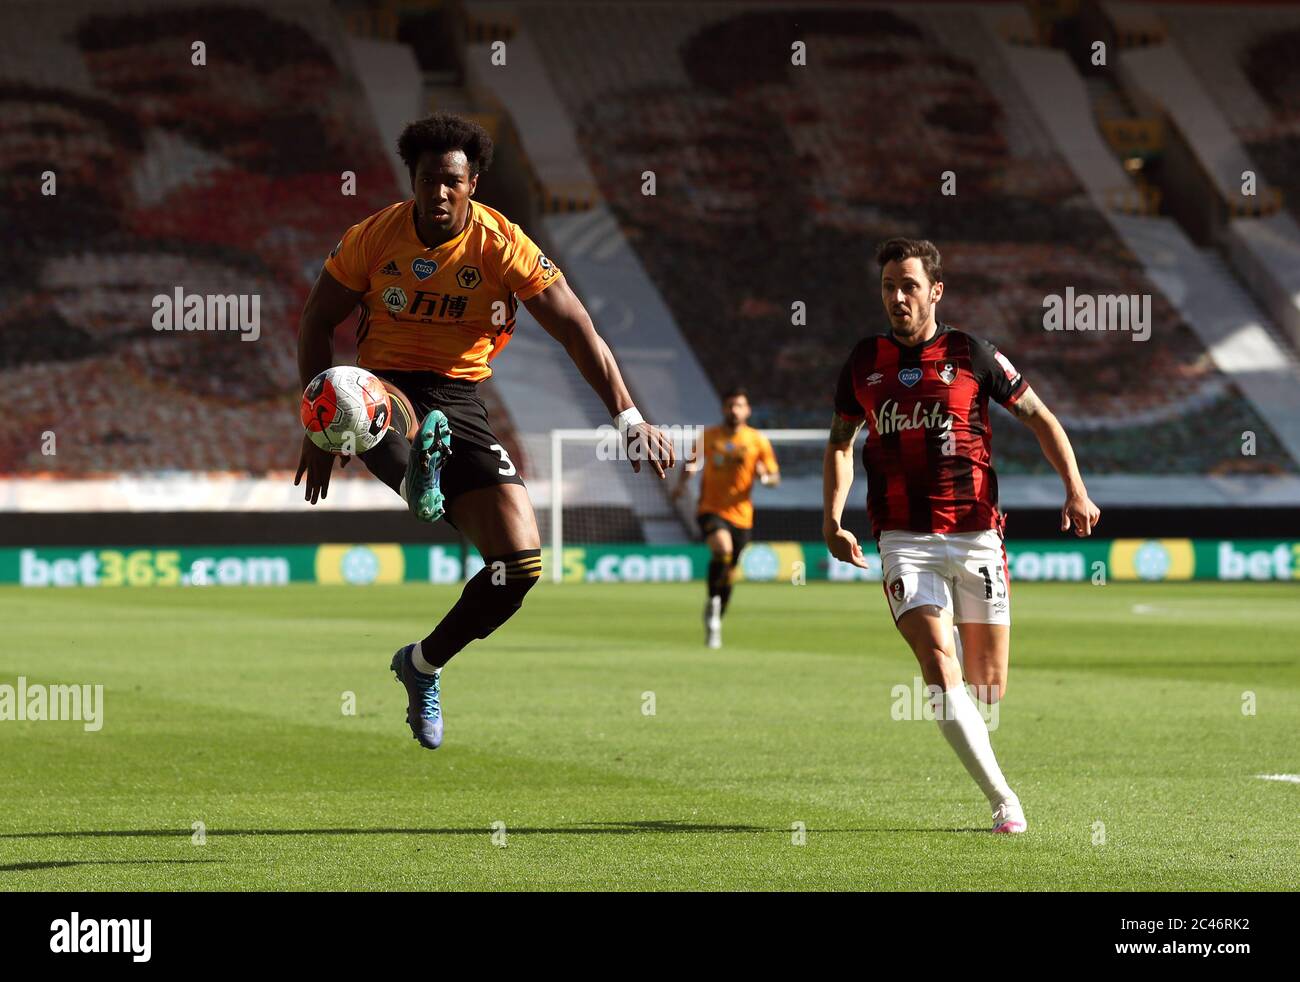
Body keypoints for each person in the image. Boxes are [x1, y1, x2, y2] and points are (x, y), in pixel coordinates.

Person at [295, 113, 674, 750]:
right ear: (410, 181)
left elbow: (577, 328)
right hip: (380, 383)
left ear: (473, 183)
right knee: (358, 397)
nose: (437, 194)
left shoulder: (504, 245)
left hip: (460, 399)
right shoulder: (372, 237)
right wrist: (315, 425)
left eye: (451, 181)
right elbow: (315, 322)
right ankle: (420, 478)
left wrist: (629, 416)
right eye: (425, 181)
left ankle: (420, 664)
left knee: (519, 565)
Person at [823, 237, 1100, 833]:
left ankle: (960, 651)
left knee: (989, 686)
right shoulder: (862, 363)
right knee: (936, 661)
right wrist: (832, 518)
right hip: (902, 536)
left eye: (908, 286)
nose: (897, 297)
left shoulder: (973, 353)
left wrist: (1074, 488)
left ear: (935, 290)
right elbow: (841, 442)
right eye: (888, 287)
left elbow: (1041, 418)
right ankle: (1003, 799)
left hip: (976, 533)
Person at [672, 389, 778, 648]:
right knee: (722, 549)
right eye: (730, 405)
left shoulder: (757, 440)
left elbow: (775, 477)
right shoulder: (709, 436)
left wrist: (765, 477)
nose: (734, 410)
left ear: (747, 410)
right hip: (711, 509)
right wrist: (682, 483)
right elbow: (692, 462)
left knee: (729, 573)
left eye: (739, 405)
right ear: (723, 409)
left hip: (742, 516)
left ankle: (716, 615)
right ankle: (712, 601)